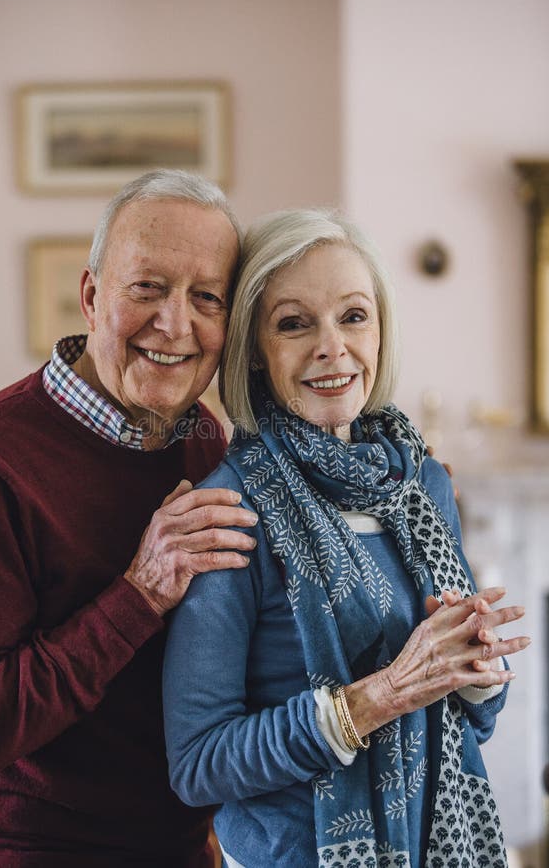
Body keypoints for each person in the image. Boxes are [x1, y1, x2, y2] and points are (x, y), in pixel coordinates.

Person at [163, 208, 530, 868]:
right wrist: (379, 698)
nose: (331, 346)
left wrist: (475, 671)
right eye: (294, 323)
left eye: (353, 316)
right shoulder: (232, 506)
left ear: (380, 331)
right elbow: (200, 764)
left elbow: (471, 719)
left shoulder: (421, 482)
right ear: (255, 351)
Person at [0, 169, 259, 867]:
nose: (175, 324)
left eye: (206, 297)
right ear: (92, 297)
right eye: (147, 287)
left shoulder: (203, 439)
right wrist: (140, 593)